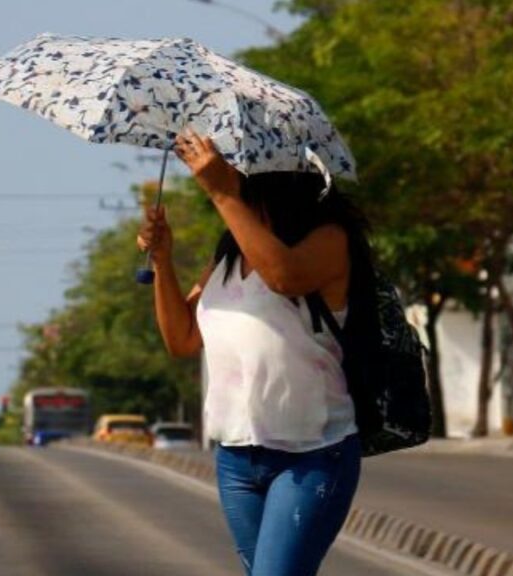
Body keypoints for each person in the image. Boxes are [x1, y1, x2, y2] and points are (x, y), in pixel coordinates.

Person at [137, 128, 369, 576]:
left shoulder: (329, 240)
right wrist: (163, 261)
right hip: (237, 456)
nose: (230, 171)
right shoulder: (228, 256)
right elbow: (182, 339)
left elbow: (284, 277)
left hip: (314, 453)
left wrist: (224, 197)